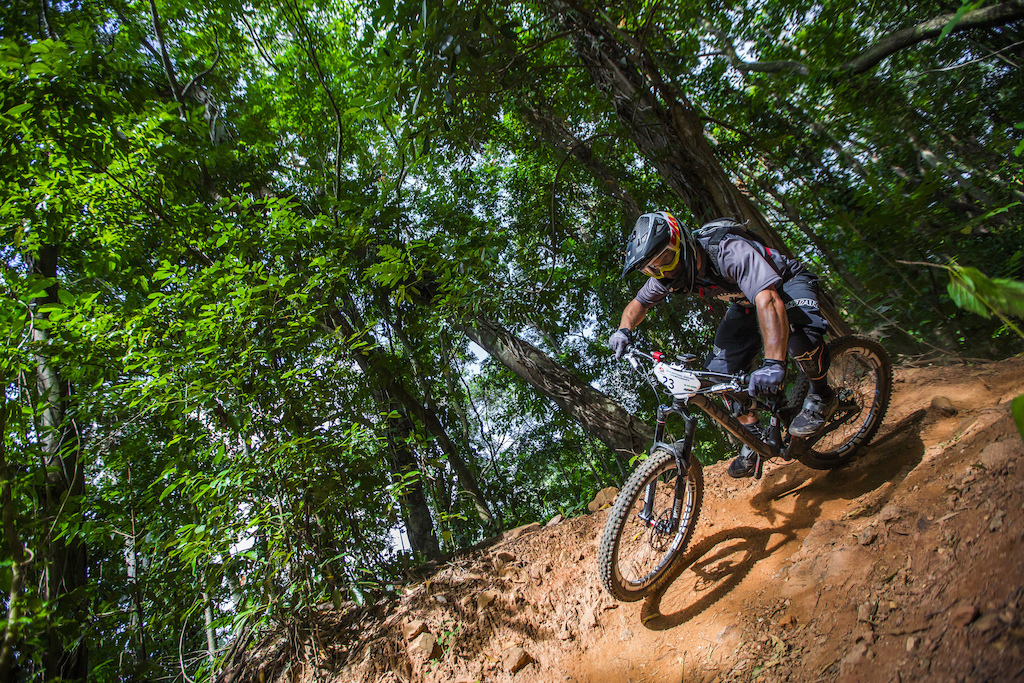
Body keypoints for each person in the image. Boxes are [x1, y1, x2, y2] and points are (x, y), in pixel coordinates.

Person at [608, 211, 836, 478]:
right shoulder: (666, 277)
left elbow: (769, 299)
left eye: (666, 259)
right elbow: (638, 304)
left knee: (801, 341)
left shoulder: (727, 250)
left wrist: (774, 362)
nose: (662, 271)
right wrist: (624, 329)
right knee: (717, 376)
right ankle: (752, 436)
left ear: (682, 243)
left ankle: (823, 395)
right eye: (651, 268)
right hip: (746, 304)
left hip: (785, 285)